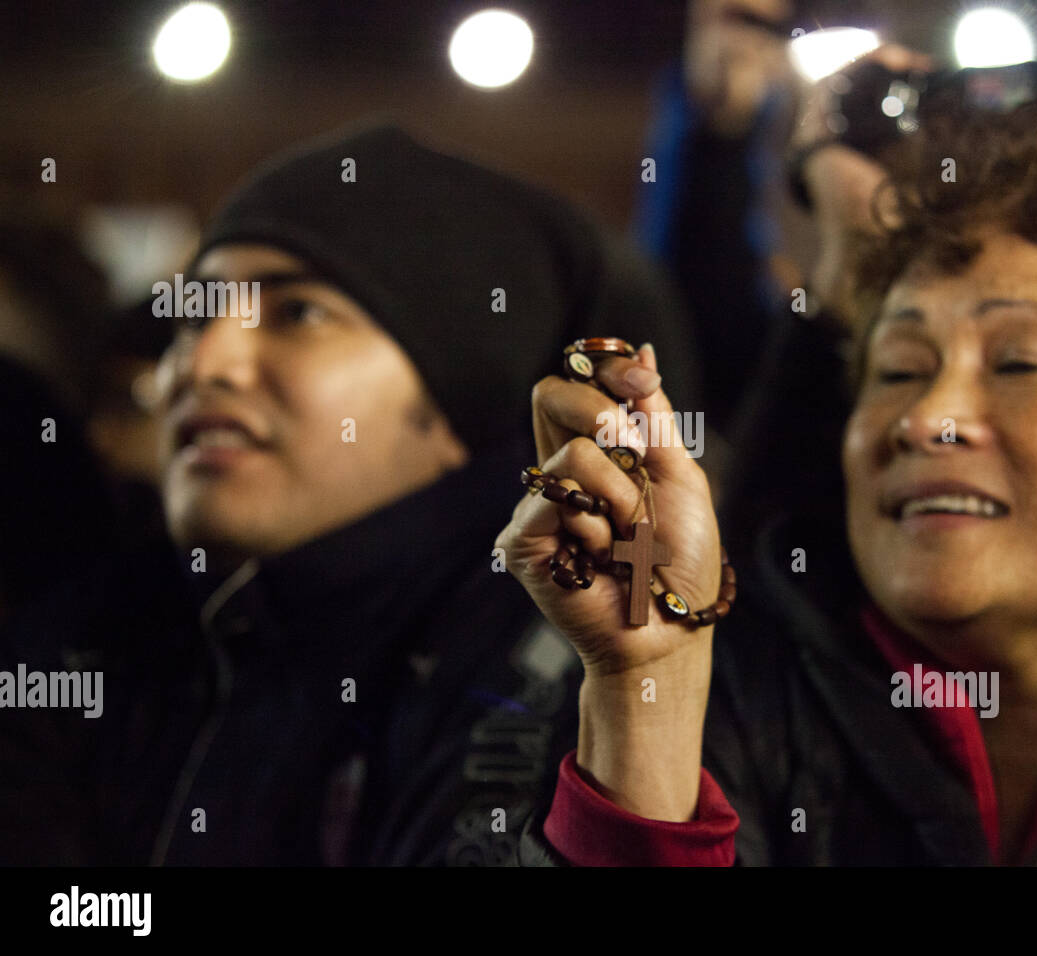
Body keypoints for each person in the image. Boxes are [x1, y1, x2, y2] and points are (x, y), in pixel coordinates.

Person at [499, 97, 1037, 865]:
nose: (927, 418)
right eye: (899, 370)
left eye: (1020, 362)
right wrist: (648, 689)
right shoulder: (735, 698)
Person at [0, 123, 700, 865]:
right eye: (193, 316)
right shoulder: (83, 648)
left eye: (299, 314)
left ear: (460, 402)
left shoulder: (570, 665)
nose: (204, 362)